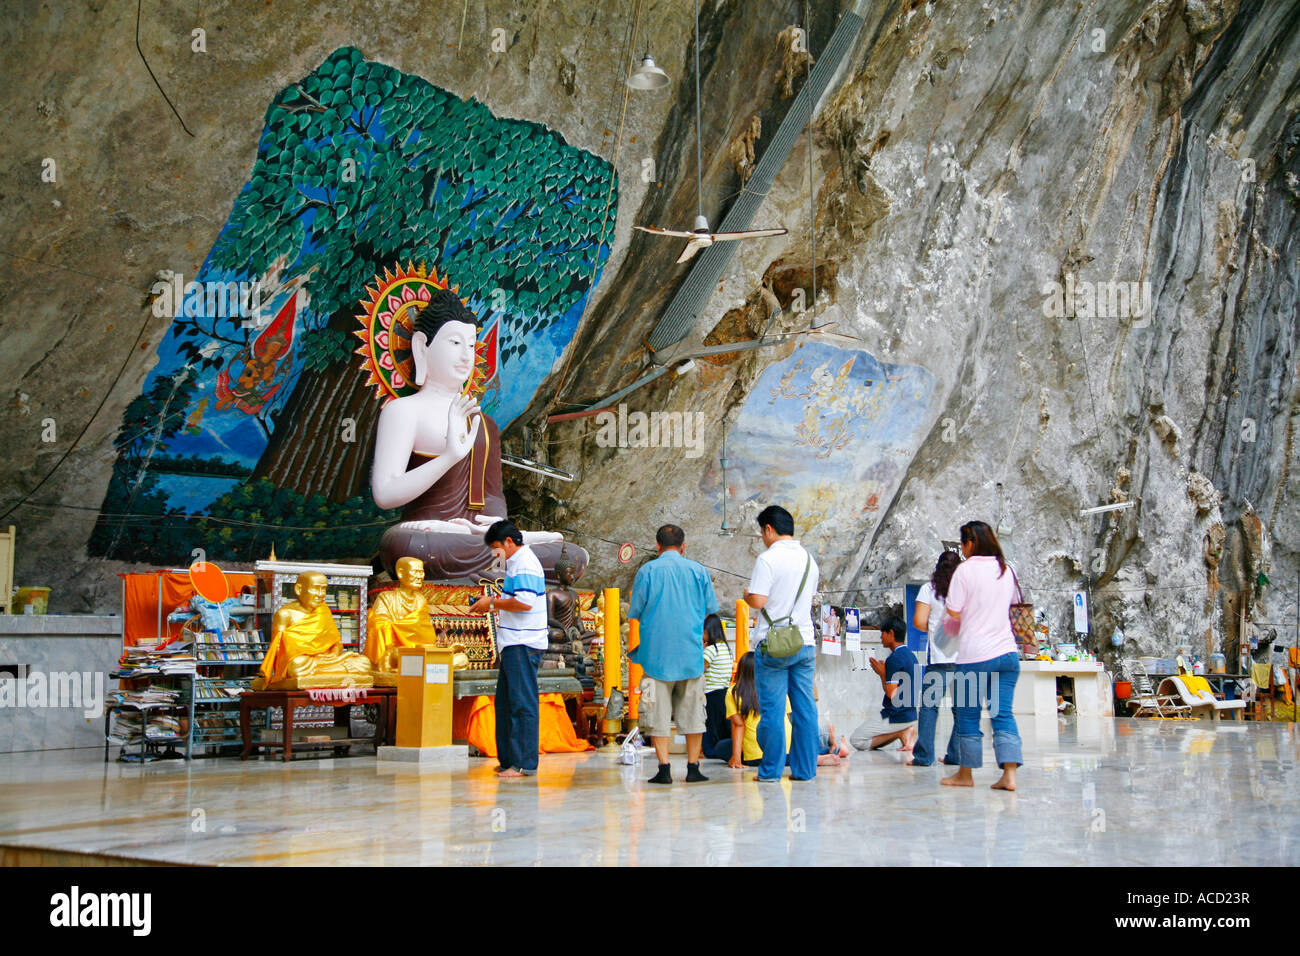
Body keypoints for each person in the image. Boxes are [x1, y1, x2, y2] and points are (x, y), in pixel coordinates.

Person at [371, 289, 586, 581]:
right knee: (406, 546)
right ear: (422, 347)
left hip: (480, 539)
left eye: (471, 345)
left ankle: (497, 565)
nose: (465, 355)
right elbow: (385, 494)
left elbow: (493, 500)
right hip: (430, 537)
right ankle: (495, 568)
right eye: (455, 342)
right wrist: (449, 457)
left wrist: (497, 528)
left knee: (570, 556)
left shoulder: (484, 424)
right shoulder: (404, 411)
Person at [628, 524, 720, 785]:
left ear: (657, 546)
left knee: (656, 713)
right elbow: (709, 610)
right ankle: (693, 767)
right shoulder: (699, 571)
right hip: (691, 655)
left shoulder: (646, 572)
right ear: (684, 546)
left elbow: (635, 611)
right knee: (693, 712)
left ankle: (664, 769)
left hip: (656, 656)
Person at [940, 520, 1023, 791]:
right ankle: (1009, 776)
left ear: (971, 543)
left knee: (967, 716)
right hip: (1008, 654)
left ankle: (965, 775)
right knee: (1003, 713)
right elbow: (1014, 607)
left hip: (975, 656)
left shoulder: (965, 571)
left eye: (963, 543)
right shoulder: (1006, 569)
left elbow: (952, 611)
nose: (962, 550)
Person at [743, 505, 820, 782]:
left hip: (772, 645)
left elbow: (759, 601)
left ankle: (771, 772)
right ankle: (805, 770)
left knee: (773, 712)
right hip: (804, 642)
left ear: (768, 529)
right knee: (805, 709)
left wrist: (747, 595)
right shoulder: (810, 560)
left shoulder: (767, 559)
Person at [468, 521, 547, 778]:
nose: (495, 554)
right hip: (513, 642)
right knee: (505, 703)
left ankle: (524, 763)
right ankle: (509, 759)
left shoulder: (524, 562)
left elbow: (524, 602)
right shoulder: (516, 563)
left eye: (496, 548)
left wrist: (491, 602)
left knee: (522, 703)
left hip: (523, 643)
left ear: (510, 542)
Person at [711, 653, 843, 767]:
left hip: (755, 753)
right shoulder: (776, 687)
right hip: (785, 743)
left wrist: (736, 758)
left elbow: (738, 725)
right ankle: (820, 752)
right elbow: (789, 719)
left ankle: (815, 758)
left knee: (721, 747)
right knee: (726, 745)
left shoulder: (733, 692)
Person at [908, 551, 963, 766]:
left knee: (930, 708)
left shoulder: (928, 589)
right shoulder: (966, 590)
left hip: (939, 657)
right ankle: (956, 755)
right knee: (962, 710)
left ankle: (924, 756)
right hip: (964, 658)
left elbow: (919, 622)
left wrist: (935, 629)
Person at [849, 617, 919, 751]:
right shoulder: (911, 656)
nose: (881, 638)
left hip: (896, 716)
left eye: (883, 633)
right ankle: (903, 732)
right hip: (910, 713)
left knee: (857, 740)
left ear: (891, 634)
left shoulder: (894, 659)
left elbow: (891, 693)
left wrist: (882, 673)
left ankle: (901, 732)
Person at [700, 613, 733, 757]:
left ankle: (712, 751)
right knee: (721, 725)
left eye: (703, 632)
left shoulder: (711, 650)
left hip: (711, 694)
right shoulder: (726, 648)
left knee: (710, 726)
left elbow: (699, 668)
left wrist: (700, 649)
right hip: (724, 692)